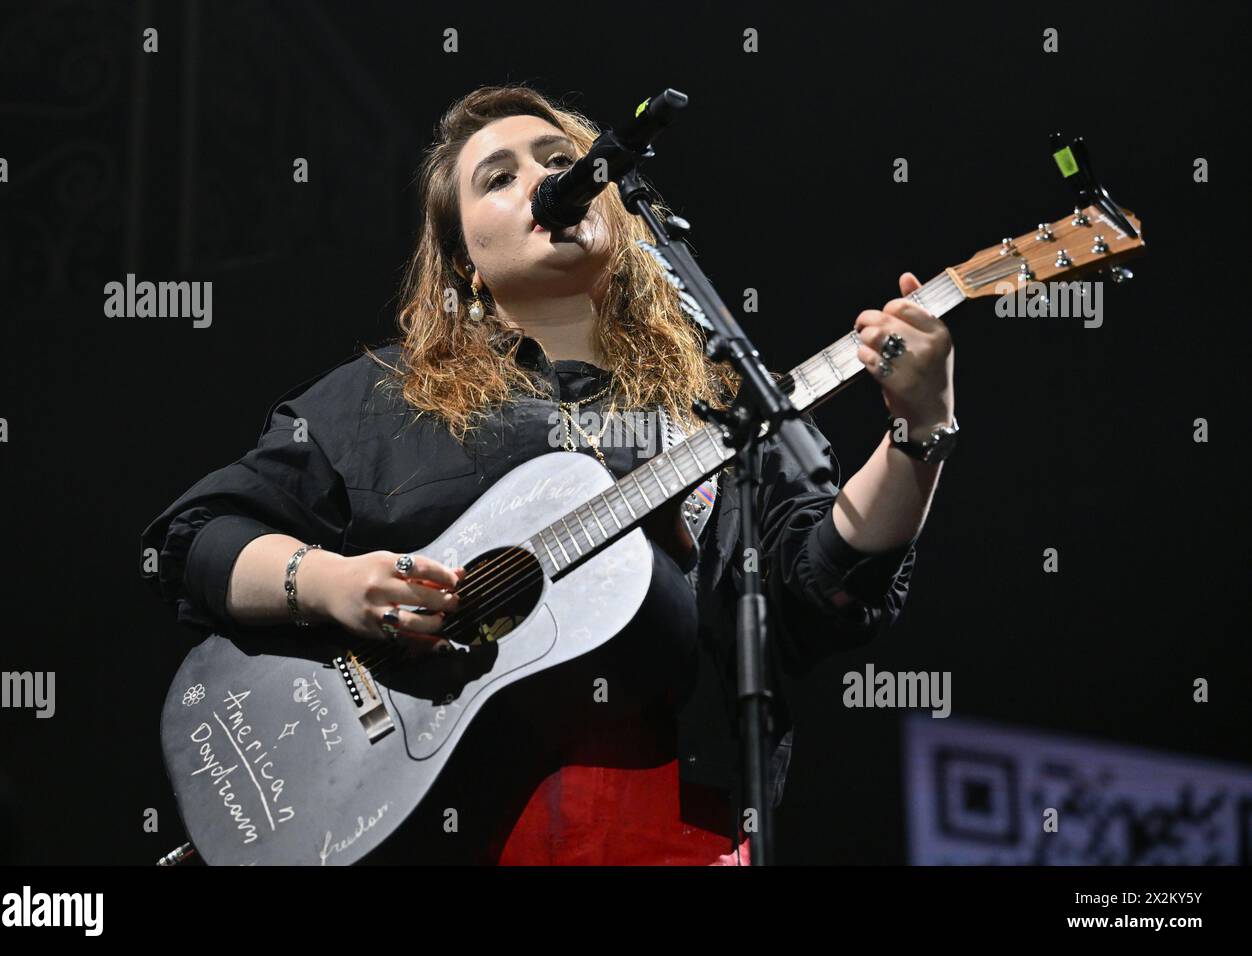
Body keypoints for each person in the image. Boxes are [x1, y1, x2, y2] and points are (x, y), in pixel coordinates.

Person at [140, 83, 956, 866]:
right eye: (500, 177)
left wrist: (919, 427)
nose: (544, 179)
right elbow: (197, 537)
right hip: (440, 833)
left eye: (559, 158)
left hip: (673, 833)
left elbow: (829, 587)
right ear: (465, 261)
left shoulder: (728, 404)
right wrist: (327, 582)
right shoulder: (381, 399)